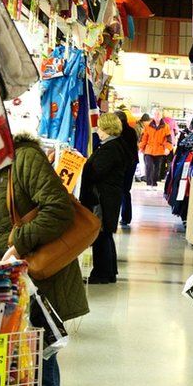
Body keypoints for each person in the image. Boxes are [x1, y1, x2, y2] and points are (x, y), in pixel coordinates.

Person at [0, 134, 88, 386]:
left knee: (41, 361)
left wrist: (18, 244)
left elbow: (58, 209)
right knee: (20, 367)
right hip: (8, 288)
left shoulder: (24, 158)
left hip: (42, 282)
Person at [79, 113, 128, 283]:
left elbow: (96, 172)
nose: (97, 131)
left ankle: (101, 273)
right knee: (105, 234)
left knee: (101, 234)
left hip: (103, 198)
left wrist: (83, 165)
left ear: (107, 129)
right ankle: (109, 272)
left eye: (100, 128)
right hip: (107, 197)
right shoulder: (114, 146)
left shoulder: (110, 149)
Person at [114, 110, 139, 227]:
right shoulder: (132, 131)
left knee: (118, 190)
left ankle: (115, 216)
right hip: (132, 163)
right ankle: (126, 217)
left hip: (122, 164)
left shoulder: (118, 132)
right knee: (126, 191)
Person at [138, 109, 173, 188]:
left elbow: (168, 139)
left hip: (159, 150)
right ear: (153, 115)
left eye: (158, 114)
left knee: (157, 168)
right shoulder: (148, 126)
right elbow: (144, 138)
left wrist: (167, 148)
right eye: (156, 114)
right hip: (149, 150)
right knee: (149, 166)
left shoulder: (166, 127)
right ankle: (149, 183)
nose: (157, 116)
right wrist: (141, 147)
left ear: (161, 116)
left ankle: (154, 183)